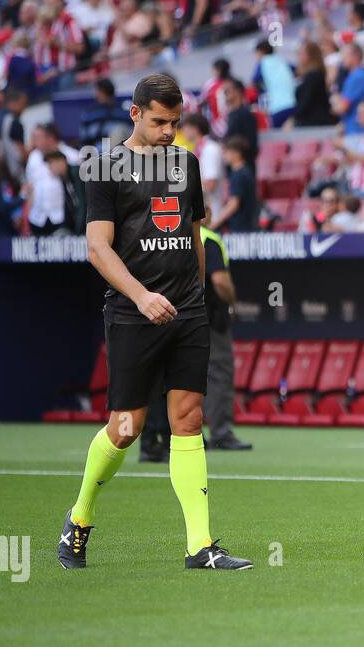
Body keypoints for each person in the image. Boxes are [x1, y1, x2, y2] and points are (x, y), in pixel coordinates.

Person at [58, 73, 252, 571]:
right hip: (131, 311)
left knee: (188, 419)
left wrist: (198, 298)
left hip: (187, 311)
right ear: (135, 113)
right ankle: (79, 518)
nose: (169, 132)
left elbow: (195, 235)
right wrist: (142, 297)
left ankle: (200, 546)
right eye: (160, 121)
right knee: (126, 428)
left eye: (175, 122)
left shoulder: (186, 165)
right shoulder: (104, 168)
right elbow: (98, 248)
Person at [199, 224, 252, 451]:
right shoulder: (207, 238)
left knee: (180, 378)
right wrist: (232, 303)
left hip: (177, 315)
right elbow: (220, 280)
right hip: (210, 317)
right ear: (206, 211)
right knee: (219, 374)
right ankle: (221, 434)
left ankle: (188, 434)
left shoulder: (171, 232)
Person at [212, 135, 259, 232]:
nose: (224, 155)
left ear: (236, 153)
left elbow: (233, 204)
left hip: (241, 228)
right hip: (248, 224)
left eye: (226, 152)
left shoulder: (238, 175)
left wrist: (214, 224)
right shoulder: (246, 171)